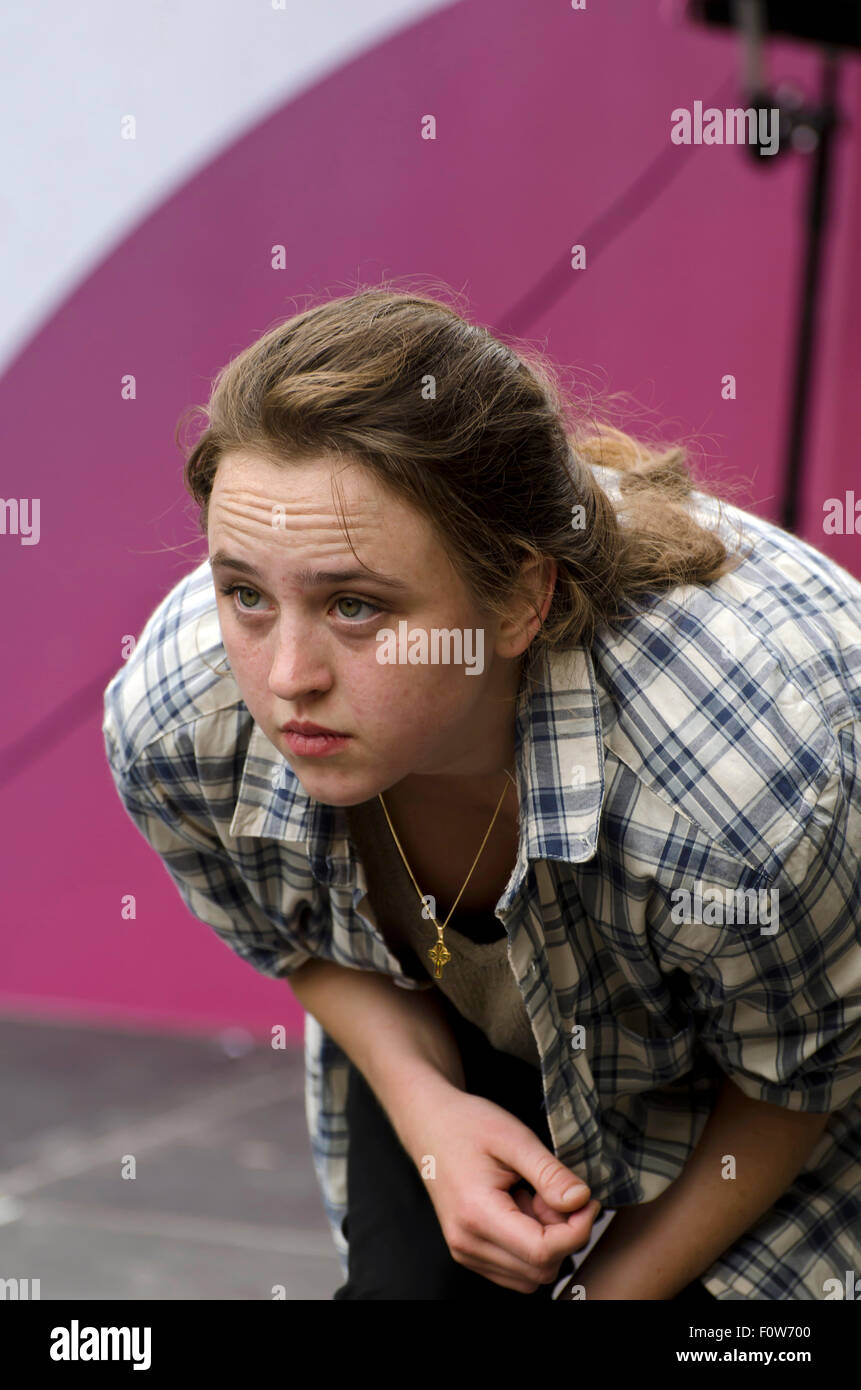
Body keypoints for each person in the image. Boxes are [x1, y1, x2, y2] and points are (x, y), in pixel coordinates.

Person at [102, 284, 860, 1301]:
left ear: (518, 597)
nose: (286, 677)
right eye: (244, 592)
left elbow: (791, 1080)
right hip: (460, 1017)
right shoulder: (183, 718)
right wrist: (428, 1116)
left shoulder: (752, 792)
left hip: (784, 1082)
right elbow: (304, 943)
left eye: (356, 605)